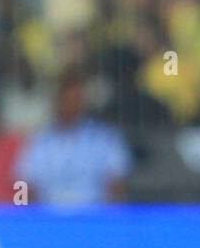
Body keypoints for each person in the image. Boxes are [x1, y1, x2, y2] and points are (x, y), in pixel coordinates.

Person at [15, 68, 131, 205]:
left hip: (94, 218)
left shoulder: (105, 138)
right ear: (56, 100)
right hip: (49, 220)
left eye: (76, 99)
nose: (70, 104)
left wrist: (111, 221)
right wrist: (29, 218)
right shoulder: (38, 140)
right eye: (66, 99)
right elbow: (23, 184)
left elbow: (118, 184)